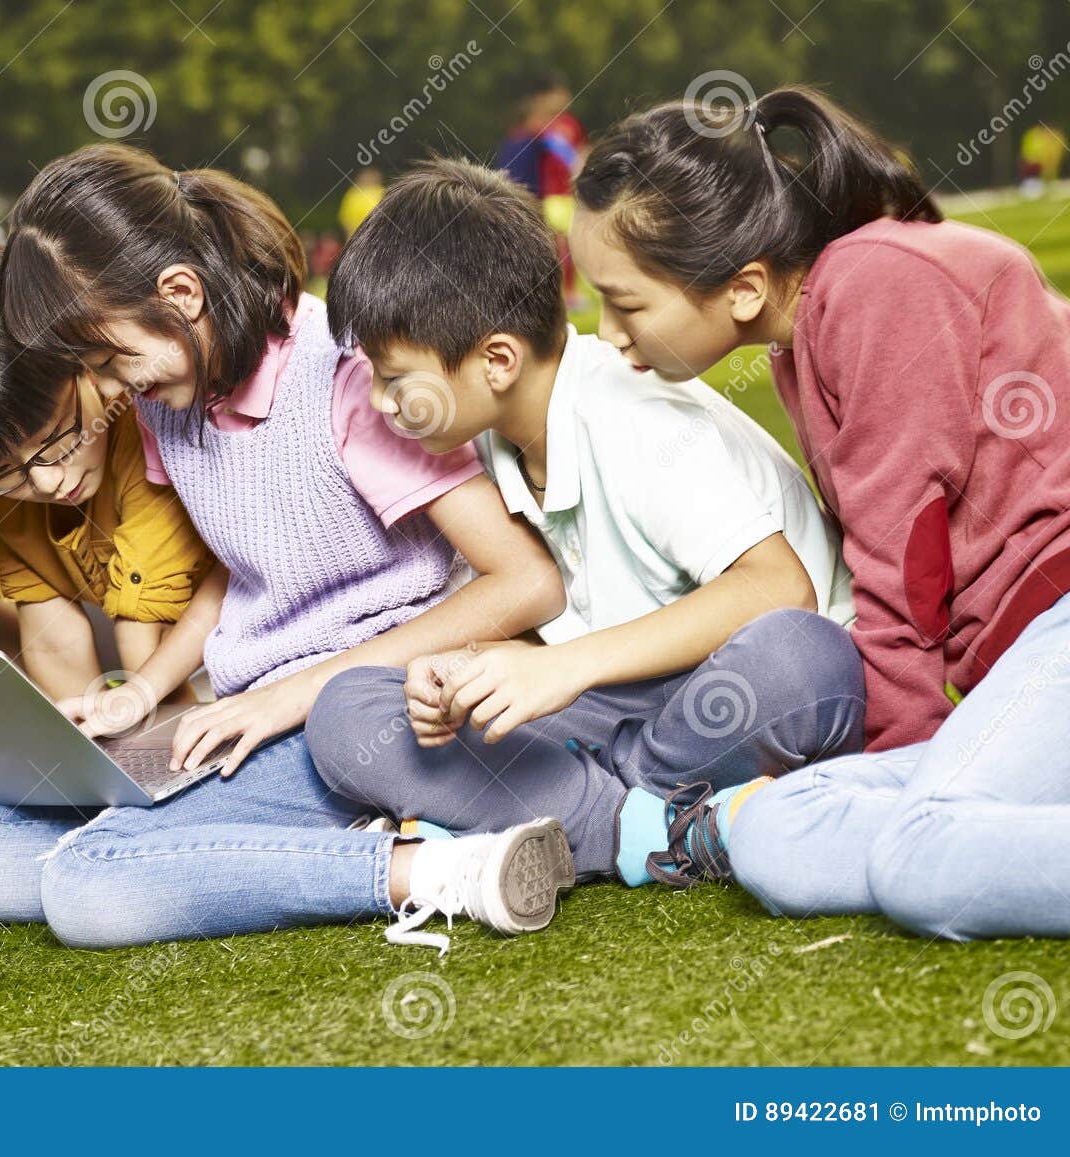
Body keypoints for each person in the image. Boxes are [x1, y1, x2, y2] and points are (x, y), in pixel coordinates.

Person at [0, 142, 573, 953]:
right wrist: (144, 692)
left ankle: (437, 869)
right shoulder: (172, 400)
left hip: (363, 714)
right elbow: (239, 576)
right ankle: (251, 847)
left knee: (89, 884)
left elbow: (526, 583)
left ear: (182, 294)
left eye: (111, 359)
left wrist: (285, 697)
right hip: (249, 716)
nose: (115, 389)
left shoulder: (347, 380)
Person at [303, 159, 865, 946]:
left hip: (728, 694)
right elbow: (571, 626)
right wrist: (464, 668)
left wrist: (563, 668)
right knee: (344, 710)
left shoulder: (636, 421)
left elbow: (780, 589)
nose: (379, 403)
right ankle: (647, 827)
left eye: (397, 379)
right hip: (619, 717)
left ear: (496, 360)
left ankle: (565, 815)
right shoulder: (496, 435)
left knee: (803, 656)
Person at [568, 85, 1070, 940]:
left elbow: (903, 564)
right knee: (772, 833)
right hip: (1028, 665)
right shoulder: (804, 333)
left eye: (627, 303)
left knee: (922, 857)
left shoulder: (875, 287)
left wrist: (908, 752)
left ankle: (944, 830)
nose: (609, 333)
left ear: (742, 285)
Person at [0, 243, 218, 712]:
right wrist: (84, 747)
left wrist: (147, 744)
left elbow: (144, 632)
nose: (44, 483)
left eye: (58, 439)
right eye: (0, 472)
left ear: (86, 359)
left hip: (236, 649)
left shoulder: (148, 425)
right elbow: (49, 634)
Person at [495, 73, 587, 310]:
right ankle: (559, 294)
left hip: (562, 194)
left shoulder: (563, 127)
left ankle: (567, 293)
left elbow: (575, 156)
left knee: (564, 244)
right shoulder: (535, 133)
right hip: (548, 195)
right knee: (554, 244)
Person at [337, 167, 384, 239]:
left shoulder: (381, 192)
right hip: (359, 237)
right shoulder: (353, 194)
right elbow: (346, 220)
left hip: (376, 235)